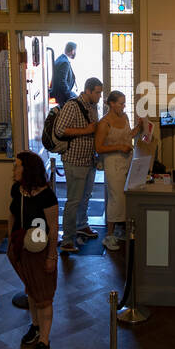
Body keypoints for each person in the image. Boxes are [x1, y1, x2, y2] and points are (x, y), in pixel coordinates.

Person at [8, 152, 59, 349]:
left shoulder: (47, 196)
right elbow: (12, 214)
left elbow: (53, 228)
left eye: (17, 165)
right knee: (31, 289)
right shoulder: (16, 189)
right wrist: (10, 241)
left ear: (27, 169)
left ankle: (44, 342)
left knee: (43, 296)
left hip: (40, 252)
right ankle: (36, 327)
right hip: (21, 249)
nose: (14, 169)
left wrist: (52, 256)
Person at [55, 76, 103, 253]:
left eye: (100, 93)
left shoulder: (93, 106)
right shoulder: (72, 106)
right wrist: (86, 131)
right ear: (87, 91)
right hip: (74, 160)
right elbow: (60, 130)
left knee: (85, 197)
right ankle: (67, 240)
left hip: (89, 159)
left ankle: (82, 225)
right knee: (73, 200)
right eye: (97, 92)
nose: (99, 96)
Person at [95, 91, 134, 250]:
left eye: (124, 103)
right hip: (113, 163)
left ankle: (121, 229)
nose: (124, 106)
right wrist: (119, 147)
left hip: (127, 160)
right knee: (116, 198)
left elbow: (128, 136)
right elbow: (98, 148)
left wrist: (140, 127)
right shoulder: (104, 123)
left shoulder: (125, 117)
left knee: (126, 197)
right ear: (111, 103)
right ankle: (109, 236)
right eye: (121, 103)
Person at [49, 41, 77, 107]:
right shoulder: (65, 62)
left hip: (59, 94)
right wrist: (70, 95)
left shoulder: (60, 59)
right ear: (73, 51)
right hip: (61, 96)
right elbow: (62, 82)